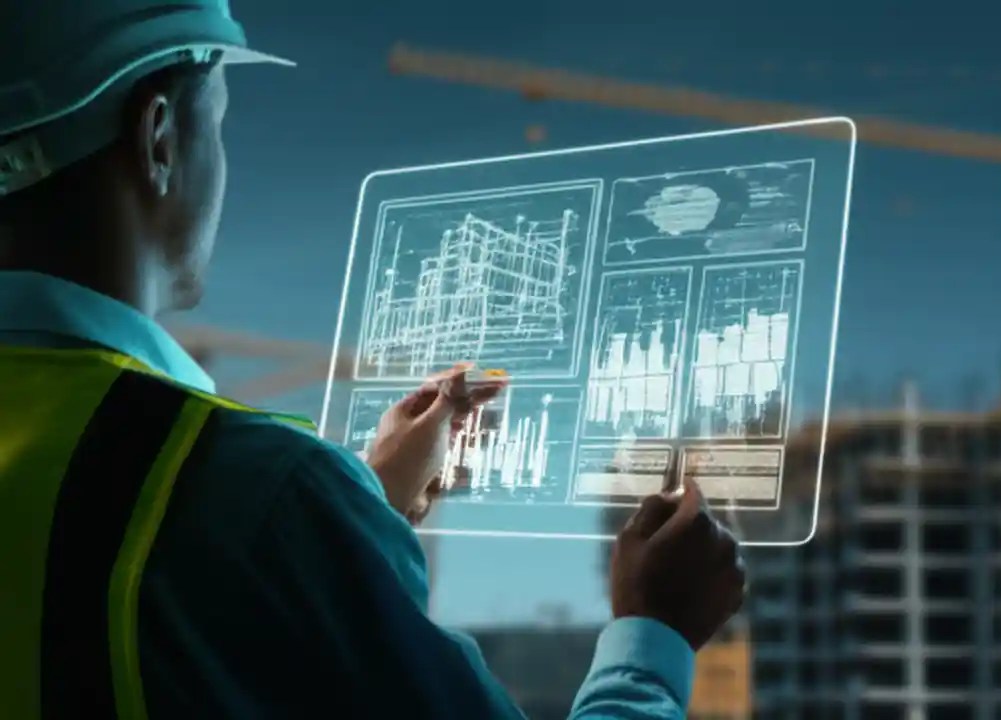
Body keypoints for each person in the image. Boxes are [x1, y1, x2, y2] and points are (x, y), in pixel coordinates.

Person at [0, 2, 746, 718]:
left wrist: (363, 505)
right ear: (159, 138)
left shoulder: (254, 501)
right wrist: (656, 634)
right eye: (220, 125)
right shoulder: (254, 491)